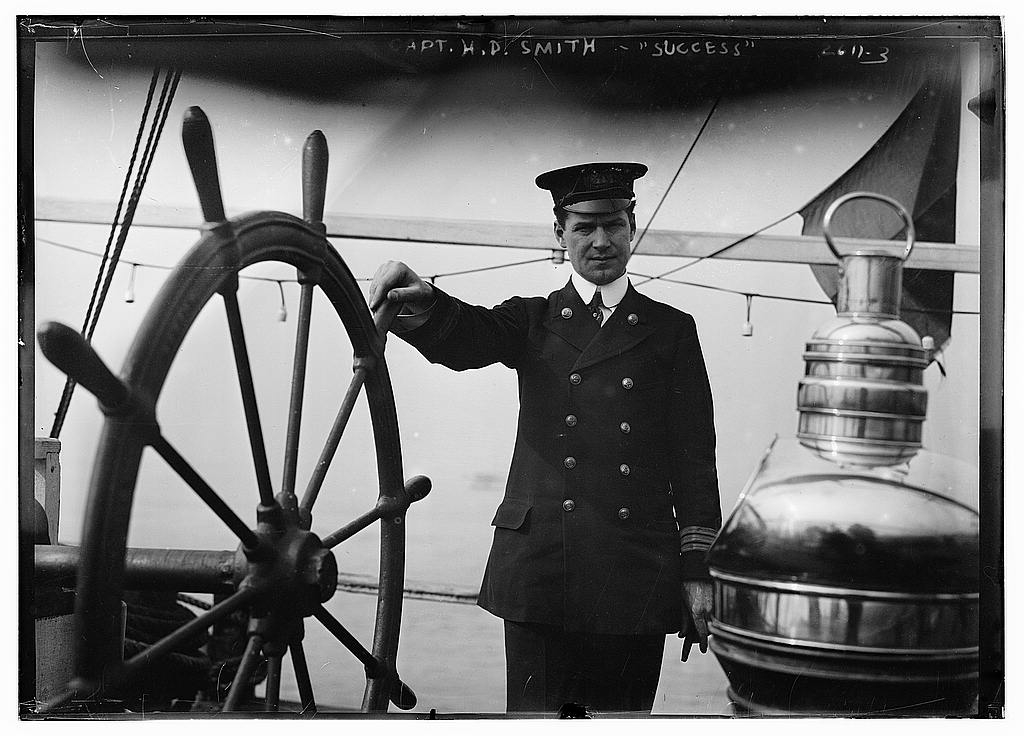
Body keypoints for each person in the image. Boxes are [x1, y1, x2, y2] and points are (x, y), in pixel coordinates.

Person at [368, 162, 721, 715]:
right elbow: (469, 336)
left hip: (634, 575)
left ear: (632, 227)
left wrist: (697, 571)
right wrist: (425, 298)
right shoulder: (531, 320)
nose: (601, 241)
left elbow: (694, 460)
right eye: (584, 227)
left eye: (613, 225)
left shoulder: (672, 330)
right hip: (542, 573)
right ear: (560, 234)